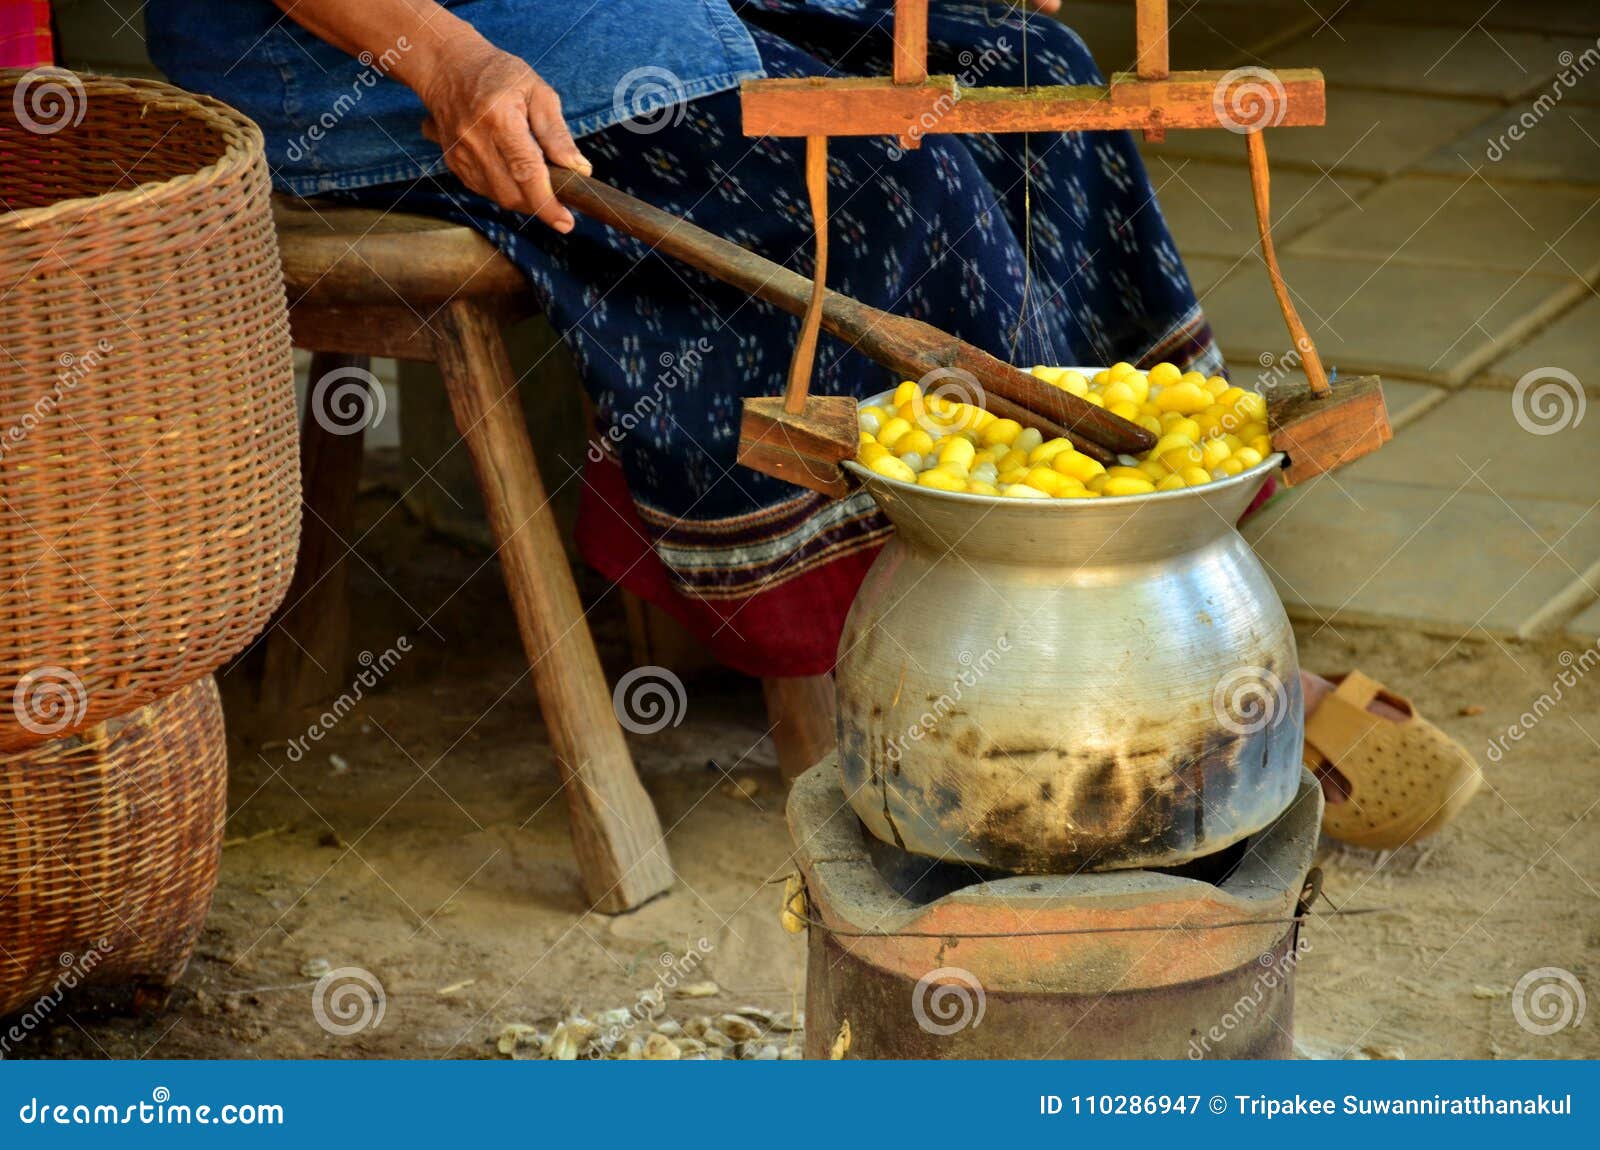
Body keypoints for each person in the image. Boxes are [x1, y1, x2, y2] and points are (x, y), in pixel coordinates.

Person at [145, 0, 1220, 676]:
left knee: (1036, 66)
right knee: (890, 170)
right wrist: (453, 66)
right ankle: (999, 656)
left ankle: (1149, 587)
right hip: (348, 54)